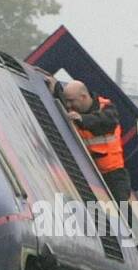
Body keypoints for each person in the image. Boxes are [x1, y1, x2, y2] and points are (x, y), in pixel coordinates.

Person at [43, 75, 131, 203]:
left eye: (71, 101)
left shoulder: (107, 109)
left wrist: (82, 119)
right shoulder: (75, 107)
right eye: (67, 101)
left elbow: (102, 121)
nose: (69, 105)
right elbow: (66, 104)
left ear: (83, 97)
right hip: (91, 175)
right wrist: (56, 89)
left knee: (122, 210)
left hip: (113, 175)